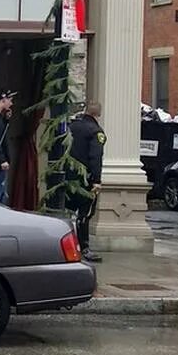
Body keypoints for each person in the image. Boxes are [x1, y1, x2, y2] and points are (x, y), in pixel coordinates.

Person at [69, 102, 106, 262]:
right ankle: (84, 247)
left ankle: (69, 244)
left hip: (69, 177)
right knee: (84, 214)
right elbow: (95, 157)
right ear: (98, 115)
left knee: (68, 211)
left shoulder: (73, 126)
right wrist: (96, 180)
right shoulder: (96, 132)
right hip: (86, 179)